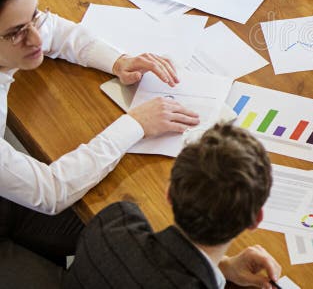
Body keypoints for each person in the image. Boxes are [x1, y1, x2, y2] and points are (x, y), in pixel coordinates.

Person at [0, 0, 201, 288]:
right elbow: (50, 191)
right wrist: (135, 124)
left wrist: (118, 61)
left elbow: (55, 32)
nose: (36, 38)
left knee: (119, 243)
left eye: (34, 16)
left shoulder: (20, 29)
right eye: (17, 33)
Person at [63, 123, 281, 288]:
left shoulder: (112, 225)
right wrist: (218, 266)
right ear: (255, 219)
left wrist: (222, 266)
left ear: (168, 193)